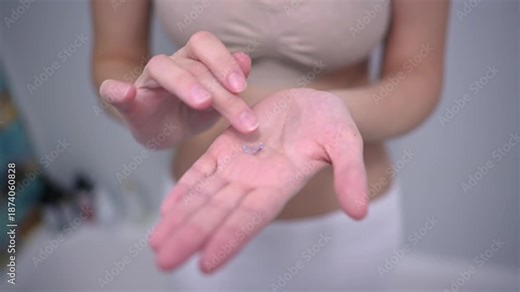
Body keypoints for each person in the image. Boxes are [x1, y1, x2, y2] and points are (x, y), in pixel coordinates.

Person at [91, 0, 449, 290]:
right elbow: (115, 57)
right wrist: (139, 100)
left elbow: (418, 75)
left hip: (348, 231)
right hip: (201, 219)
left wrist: (335, 112)